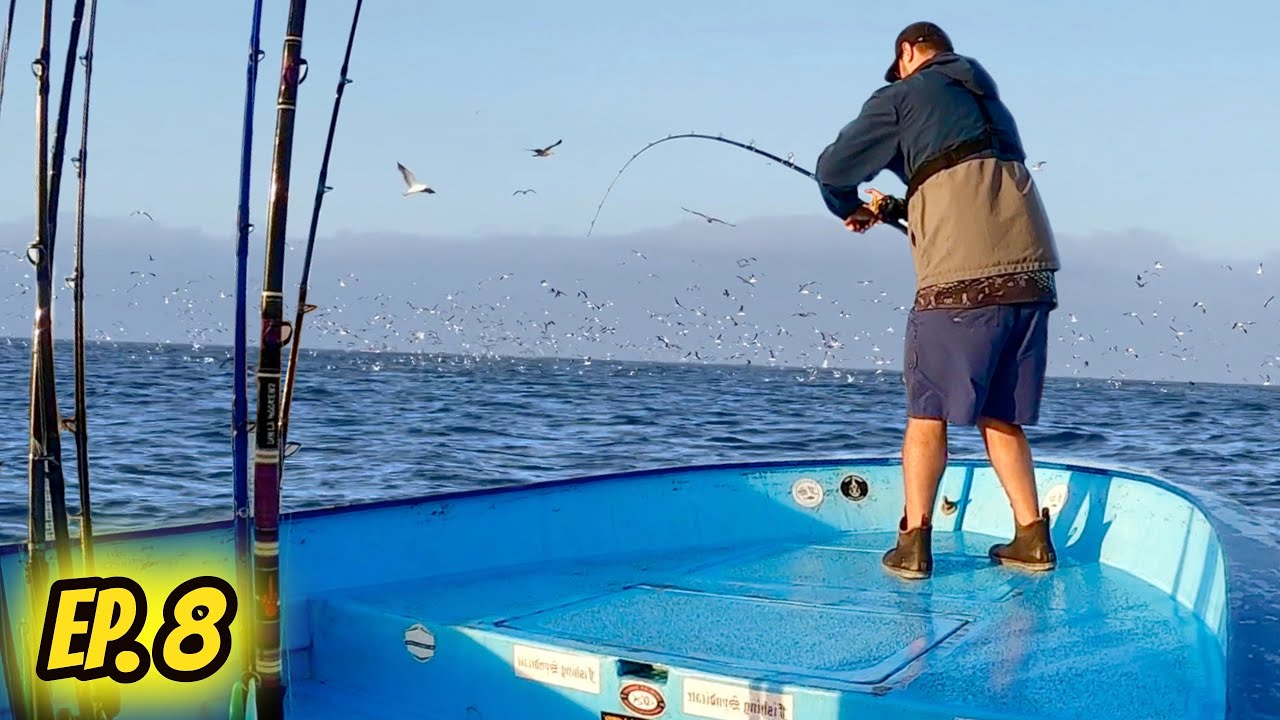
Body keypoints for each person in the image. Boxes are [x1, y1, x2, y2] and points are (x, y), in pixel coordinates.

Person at [814, 21, 1061, 580]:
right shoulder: (988, 102)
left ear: (907, 54)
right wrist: (898, 210)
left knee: (927, 411)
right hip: (1031, 278)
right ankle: (1031, 538)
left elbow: (833, 169)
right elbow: (967, 184)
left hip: (961, 284)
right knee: (1001, 413)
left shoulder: (904, 95)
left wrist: (847, 205)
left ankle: (914, 542)